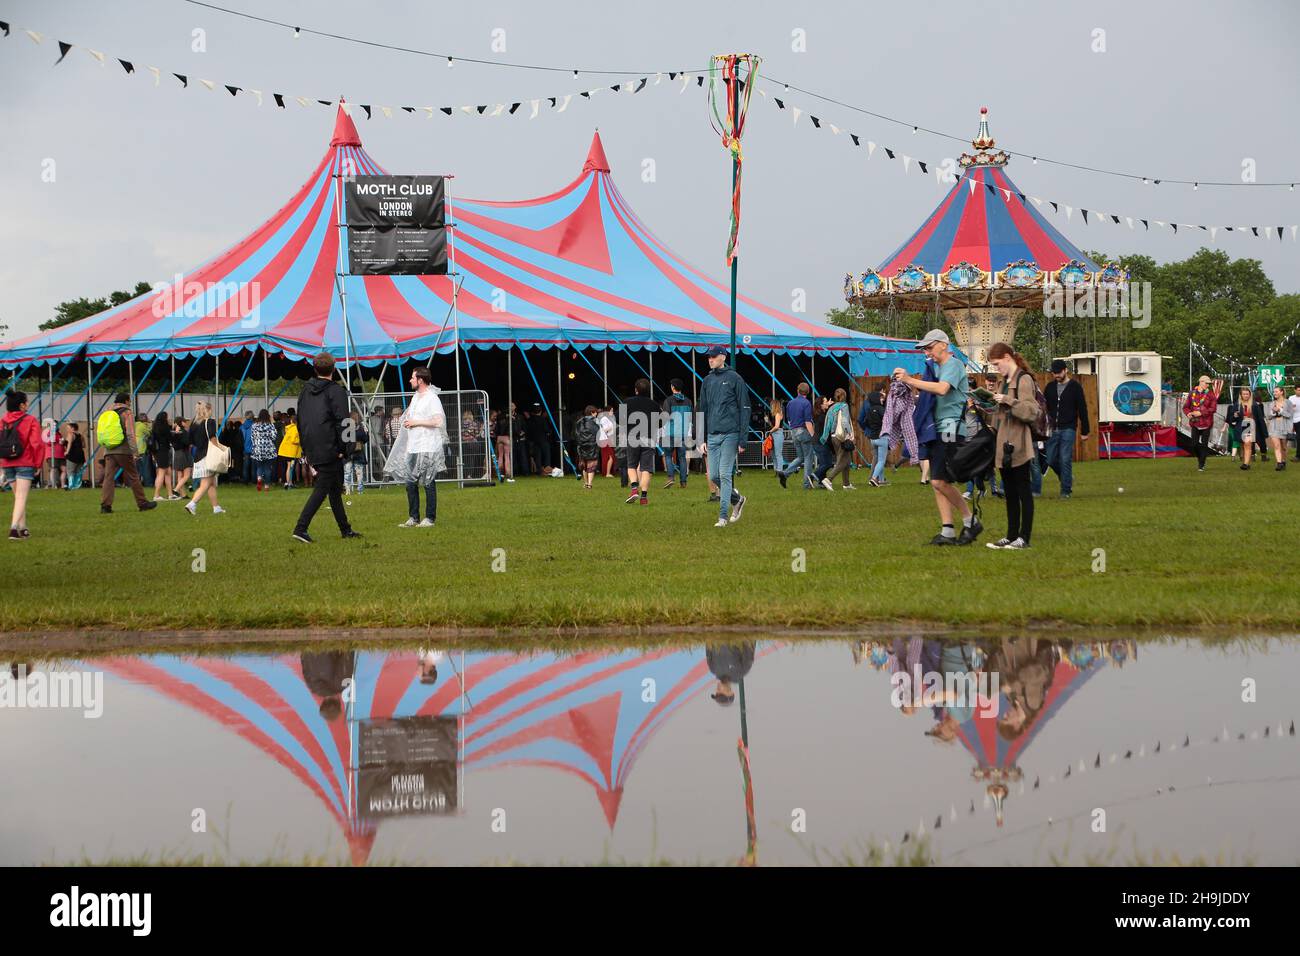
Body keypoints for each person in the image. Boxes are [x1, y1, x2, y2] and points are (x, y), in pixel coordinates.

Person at [892, 330, 980, 546]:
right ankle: (947, 530)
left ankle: (970, 520)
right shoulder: (935, 368)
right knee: (938, 482)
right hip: (936, 428)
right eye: (925, 348)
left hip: (949, 428)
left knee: (940, 480)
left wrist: (911, 380)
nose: (927, 352)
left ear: (943, 344)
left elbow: (942, 389)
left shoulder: (954, 365)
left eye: (929, 347)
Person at [291, 352, 363, 543]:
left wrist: (306, 447)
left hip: (313, 445)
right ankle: (301, 527)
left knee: (334, 489)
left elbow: (301, 421)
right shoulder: (336, 391)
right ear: (334, 368)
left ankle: (345, 529)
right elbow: (344, 421)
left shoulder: (305, 391)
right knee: (323, 488)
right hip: (331, 446)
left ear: (315, 368)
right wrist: (346, 447)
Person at [982, 342, 1038, 550]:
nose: (997, 369)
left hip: (1019, 442)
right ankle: (1011, 535)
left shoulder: (1023, 380)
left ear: (1007, 357)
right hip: (1003, 441)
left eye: (997, 364)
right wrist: (985, 405)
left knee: (1023, 490)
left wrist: (1007, 400)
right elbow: (1000, 412)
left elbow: (1031, 411)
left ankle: (1024, 537)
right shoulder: (1003, 381)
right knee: (1010, 492)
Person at [385, 366, 446, 529]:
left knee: (428, 482)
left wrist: (416, 422)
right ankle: (413, 517)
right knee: (410, 483)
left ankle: (430, 518)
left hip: (427, 447)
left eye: (412, 377)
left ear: (420, 380)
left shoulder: (432, 398)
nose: (410, 380)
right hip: (413, 447)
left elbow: (438, 421)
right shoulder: (416, 397)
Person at [698, 345, 748, 526]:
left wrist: (743, 438)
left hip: (730, 434)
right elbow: (702, 409)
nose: (710, 359)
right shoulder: (707, 380)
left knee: (725, 474)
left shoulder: (735, 378)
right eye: (708, 357)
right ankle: (738, 500)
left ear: (723, 357)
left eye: (713, 356)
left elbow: (745, 408)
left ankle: (722, 517)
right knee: (713, 476)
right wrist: (701, 437)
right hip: (712, 434)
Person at [97, 392, 158, 515]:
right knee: (134, 476)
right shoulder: (127, 412)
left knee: (108, 478)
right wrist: (135, 452)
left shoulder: (107, 411)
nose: (130, 403)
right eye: (129, 401)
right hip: (123, 450)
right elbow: (130, 434)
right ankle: (142, 503)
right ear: (126, 401)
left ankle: (105, 505)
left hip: (109, 450)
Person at [1, 391, 47, 540]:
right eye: (26, 402)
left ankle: (23, 529)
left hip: (7, 462)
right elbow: (36, 444)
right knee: (21, 497)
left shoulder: (2, 421)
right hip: (25, 462)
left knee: (18, 498)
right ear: (21, 405)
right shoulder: (31, 420)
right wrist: (38, 463)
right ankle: (13, 529)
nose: (28, 404)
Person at [1043, 359, 1090, 499]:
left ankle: (1066, 491)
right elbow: (1044, 408)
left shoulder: (1075, 387)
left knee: (1065, 458)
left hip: (1068, 428)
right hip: (1052, 429)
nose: (1056, 375)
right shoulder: (1050, 387)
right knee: (1050, 459)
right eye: (1054, 373)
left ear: (1065, 370)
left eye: (1058, 372)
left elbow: (1082, 408)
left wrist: (1085, 431)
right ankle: (1066, 477)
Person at [622, 378, 660, 505]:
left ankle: (634, 489)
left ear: (636, 390)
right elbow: (660, 422)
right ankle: (644, 497)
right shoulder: (654, 404)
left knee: (631, 465)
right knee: (646, 469)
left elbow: (618, 419)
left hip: (633, 437)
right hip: (649, 439)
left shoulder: (627, 402)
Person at [185, 401, 225, 516]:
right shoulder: (210, 422)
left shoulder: (193, 423)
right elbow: (212, 438)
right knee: (205, 484)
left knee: (211, 483)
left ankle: (216, 507)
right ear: (208, 409)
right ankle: (192, 504)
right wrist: (220, 449)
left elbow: (190, 441)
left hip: (199, 456)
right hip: (209, 456)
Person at [776, 382, 815, 489]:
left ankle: (785, 474)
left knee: (800, 457)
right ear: (808, 392)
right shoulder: (806, 403)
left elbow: (788, 420)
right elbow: (808, 422)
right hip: (803, 431)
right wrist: (813, 435)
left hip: (793, 431)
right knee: (808, 458)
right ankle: (807, 484)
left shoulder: (790, 403)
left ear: (798, 390)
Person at [820, 388, 857, 490]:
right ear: (844, 396)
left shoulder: (832, 407)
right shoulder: (844, 406)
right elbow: (845, 421)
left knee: (847, 460)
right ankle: (828, 479)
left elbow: (828, 423)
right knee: (842, 461)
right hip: (841, 436)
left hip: (833, 436)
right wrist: (850, 434)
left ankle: (846, 484)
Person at [1183, 375, 1221, 472]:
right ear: (1201, 382)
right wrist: (1188, 414)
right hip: (1195, 423)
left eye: (1209, 384)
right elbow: (1186, 407)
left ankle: (1201, 464)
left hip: (1207, 423)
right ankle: (1201, 458)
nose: (1208, 385)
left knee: (1204, 444)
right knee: (1194, 444)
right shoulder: (1192, 393)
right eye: (1206, 383)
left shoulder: (1211, 394)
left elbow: (1213, 409)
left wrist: (1200, 413)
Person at [662, 379, 693, 489]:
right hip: (683, 433)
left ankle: (671, 478)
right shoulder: (688, 401)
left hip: (670, 433)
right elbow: (690, 418)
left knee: (668, 456)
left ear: (673, 387)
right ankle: (683, 482)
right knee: (682, 458)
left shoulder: (668, 401)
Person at [1226, 387, 1266, 471]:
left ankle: (1245, 464)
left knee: (1248, 444)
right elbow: (1231, 419)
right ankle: (1245, 462)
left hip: (1250, 425)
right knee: (1243, 445)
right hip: (1240, 426)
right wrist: (1235, 416)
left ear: (1250, 395)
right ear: (1241, 395)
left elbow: (1260, 418)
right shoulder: (1237, 405)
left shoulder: (1254, 405)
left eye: (1247, 394)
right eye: (1244, 394)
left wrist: (1264, 431)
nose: (1246, 396)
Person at [706, 641, 755, 705]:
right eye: (721, 693)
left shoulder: (713, 669)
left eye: (717, 693)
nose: (717, 690)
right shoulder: (742, 671)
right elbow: (749, 642)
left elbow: (708, 644)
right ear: (731, 693)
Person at [858, 386, 888, 487]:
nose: (882, 399)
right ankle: (874, 478)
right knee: (881, 461)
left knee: (879, 459)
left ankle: (882, 480)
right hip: (881, 438)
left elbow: (864, 421)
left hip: (872, 439)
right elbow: (887, 421)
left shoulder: (870, 410)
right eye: (881, 398)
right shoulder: (881, 409)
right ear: (876, 399)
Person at [574, 405, 601, 489]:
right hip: (592, 445)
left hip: (581, 445)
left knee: (584, 465)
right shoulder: (596, 421)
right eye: (595, 412)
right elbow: (599, 433)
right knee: (591, 465)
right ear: (592, 412)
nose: (596, 414)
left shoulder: (579, 421)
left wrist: (580, 442)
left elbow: (576, 434)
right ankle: (589, 483)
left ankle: (586, 483)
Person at [250, 409, 277, 490]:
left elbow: (252, 437)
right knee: (267, 468)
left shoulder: (254, 426)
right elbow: (274, 436)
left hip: (258, 449)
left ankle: (259, 478)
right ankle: (266, 486)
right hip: (268, 449)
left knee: (259, 467)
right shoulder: (271, 425)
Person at [150, 411, 175, 500]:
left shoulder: (155, 427)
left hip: (158, 452)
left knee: (168, 472)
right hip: (163, 451)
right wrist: (174, 432)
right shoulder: (164, 428)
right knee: (161, 473)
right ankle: (156, 495)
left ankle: (170, 494)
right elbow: (170, 438)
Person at [1265, 385, 1290, 471]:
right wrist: (1273, 412)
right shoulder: (1272, 403)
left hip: (1285, 426)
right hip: (1274, 427)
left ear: (1281, 392)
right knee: (1276, 445)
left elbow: (1289, 415)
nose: (1274, 393)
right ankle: (1279, 463)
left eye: (1276, 391)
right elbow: (1268, 416)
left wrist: (1280, 410)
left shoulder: (1288, 403)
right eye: (1274, 392)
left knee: (1283, 447)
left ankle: (1283, 462)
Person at [344, 410, 369, 493]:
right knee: (358, 473)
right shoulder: (360, 428)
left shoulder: (344, 428)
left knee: (348, 472)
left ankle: (349, 491)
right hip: (357, 452)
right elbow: (365, 439)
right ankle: (359, 491)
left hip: (349, 452)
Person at [40, 418, 66, 491]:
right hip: (52, 454)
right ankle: (53, 485)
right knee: (53, 469)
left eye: (56, 424)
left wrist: (62, 441)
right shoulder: (49, 433)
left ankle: (63, 485)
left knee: (64, 470)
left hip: (61, 455)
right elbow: (48, 442)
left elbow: (61, 442)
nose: (56, 426)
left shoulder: (59, 433)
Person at [278, 411, 301, 489]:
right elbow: (294, 440)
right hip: (290, 452)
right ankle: (288, 483)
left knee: (289, 467)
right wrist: (301, 441)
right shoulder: (295, 429)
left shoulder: (289, 428)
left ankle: (288, 482)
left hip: (285, 451)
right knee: (290, 467)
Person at [492, 407, 514, 482]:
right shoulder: (509, 420)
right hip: (506, 438)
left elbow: (495, 430)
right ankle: (508, 473)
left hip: (499, 438)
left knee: (500, 456)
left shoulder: (499, 420)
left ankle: (500, 473)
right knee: (507, 456)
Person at [171, 416, 192, 496]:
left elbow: (173, 443)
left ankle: (183, 494)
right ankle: (176, 489)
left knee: (180, 475)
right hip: (184, 453)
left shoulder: (174, 432)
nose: (186, 423)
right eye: (185, 421)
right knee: (187, 475)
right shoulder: (184, 432)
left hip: (177, 454)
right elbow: (186, 442)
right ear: (182, 422)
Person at [134, 409, 155, 490]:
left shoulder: (135, 425)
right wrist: (150, 423)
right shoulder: (143, 426)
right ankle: (148, 483)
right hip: (142, 448)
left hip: (135, 449)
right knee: (146, 467)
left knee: (137, 468)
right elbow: (149, 432)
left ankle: (137, 484)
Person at [766, 398, 787, 474]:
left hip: (777, 433)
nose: (770, 406)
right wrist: (768, 421)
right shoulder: (775, 414)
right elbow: (773, 425)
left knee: (777, 453)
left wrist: (770, 431)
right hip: (774, 433)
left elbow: (777, 426)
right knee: (773, 453)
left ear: (774, 405)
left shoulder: (778, 413)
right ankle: (776, 470)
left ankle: (779, 470)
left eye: (771, 405)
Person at [596, 404, 616, 478]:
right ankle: (607, 473)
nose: (612, 412)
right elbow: (604, 429)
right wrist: (611, 427)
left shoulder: (608, 418)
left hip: (608, 438)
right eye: (611, 411)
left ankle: (608, 472)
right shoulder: (604, 419)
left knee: (609, 456)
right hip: (605, 439)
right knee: (609, 456)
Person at [64, 422, 85, 490]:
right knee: (78, 472)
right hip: (80, 455)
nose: (67, 429)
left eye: (68, 428)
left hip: (72, 455)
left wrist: (67, 451)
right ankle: (78, 486)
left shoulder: (70, 434)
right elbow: (84, 445)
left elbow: (69, 444)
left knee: (70, 471)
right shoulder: (81, 435)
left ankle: (71, 486)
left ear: (72, 428)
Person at [240, 411, 256, 484]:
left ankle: (245, 480)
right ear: (252, 417)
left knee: (245, 466)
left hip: (244, 448)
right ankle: (253, 480)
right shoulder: (255, 426)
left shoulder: (241, 427)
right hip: (253, 448)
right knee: (253, 466)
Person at [1289, 385, 1300, 462]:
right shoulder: (1291, 398)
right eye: (1299, 390)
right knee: (1297, 438)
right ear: (1295, 390)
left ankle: (1298, 456)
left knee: (1299, 438)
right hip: (1294, 420)